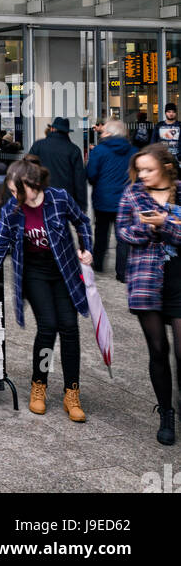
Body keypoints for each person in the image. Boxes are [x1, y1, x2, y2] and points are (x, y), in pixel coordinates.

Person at [0, 155, 93, 422]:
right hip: (34, 273)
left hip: (64, 271)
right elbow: (0, 247)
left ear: (33, 184)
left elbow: (82, 221)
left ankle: (72, 391)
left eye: (17, 190)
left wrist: (86, 248)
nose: (14, 195)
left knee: (69, 328)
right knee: (48, 326)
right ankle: (40, 384)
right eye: (11, 191)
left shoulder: (59, 198)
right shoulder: (14, 209)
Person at [117, 144, 181, 445]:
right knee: (158, 350)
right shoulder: (133, 194)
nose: (142, 175)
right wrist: (147, 229)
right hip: (146, 281)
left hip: (178, 281)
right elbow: (123, 231)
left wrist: (164, 223)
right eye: (139, 170)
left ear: (166, 168)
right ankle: (166, 412)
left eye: (149, 170)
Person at [86, 117, 134, 280]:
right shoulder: (133, 151)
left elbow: (91, 175)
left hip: (103, 199)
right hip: (126, 200)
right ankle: (122, 272)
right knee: (123, 237)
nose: (101, 133)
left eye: (104, 130)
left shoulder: (99, 150)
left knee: (101, 233)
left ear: (109, 133)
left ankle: (98, 264)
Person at [29, 117, 87, 209]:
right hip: (64, 198)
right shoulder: (73, 150)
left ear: (52, 129)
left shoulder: (38, 145)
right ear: (67, 132)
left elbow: (28, 169)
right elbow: (79, 179)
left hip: (41, 195)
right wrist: (81, 204)